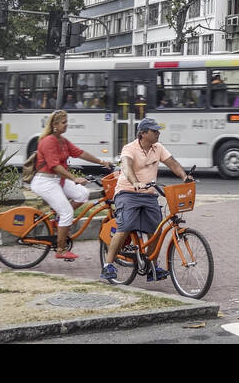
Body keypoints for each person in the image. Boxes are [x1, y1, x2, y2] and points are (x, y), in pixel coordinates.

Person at [102, 117, 191, 283]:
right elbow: (127, 166)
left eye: (158, 130)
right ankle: (108, 265)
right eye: (154, 131)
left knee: (155, 231)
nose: (158, 133)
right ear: (143, 133)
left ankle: (151, 266)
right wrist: (135, 182)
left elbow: (172, 163)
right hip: (127, 193)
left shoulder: (158, 148)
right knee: (125, 225)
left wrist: (184, 176)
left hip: (149, 193)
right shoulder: (130, 148)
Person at [28, 110, 111, 261]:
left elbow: (80, 153)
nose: (66, 125)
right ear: (55, 125)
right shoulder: (48, 141)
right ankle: (60, 249)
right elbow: (54, 166)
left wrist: (101, 162)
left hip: (57, 180)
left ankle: (58, 220)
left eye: (67, 122)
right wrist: (74, 178)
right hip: (45, 181)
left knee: (83, 194)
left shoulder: (62, 141)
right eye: (64, 123)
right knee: (67, 212)